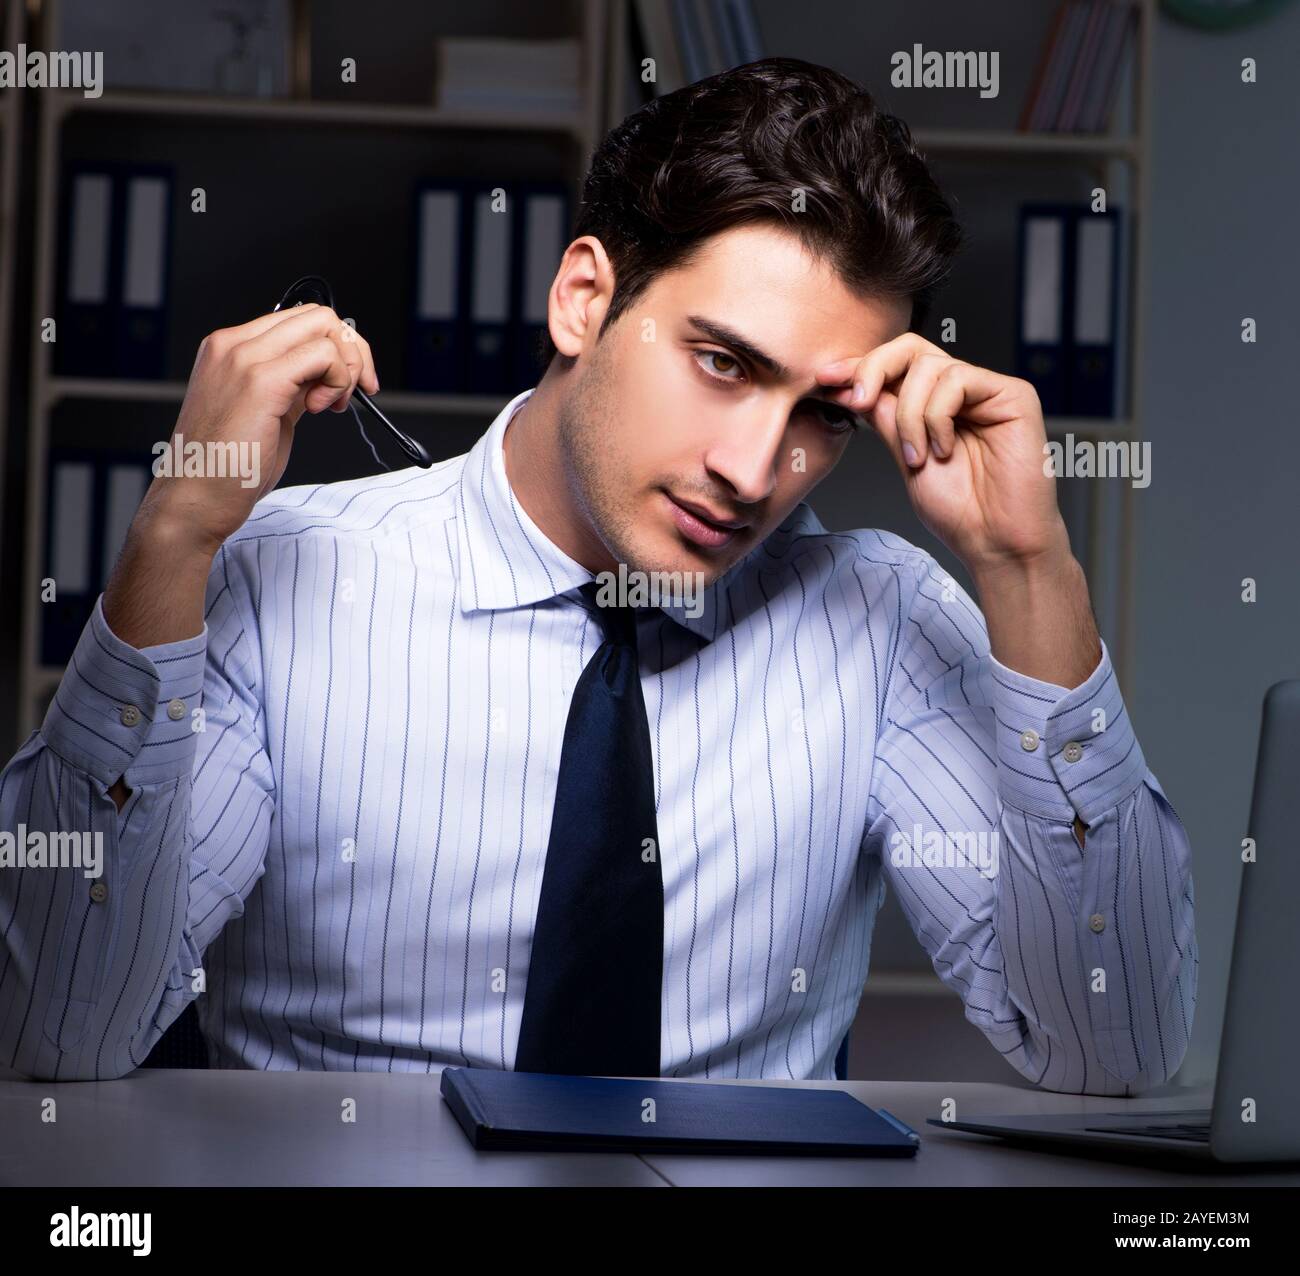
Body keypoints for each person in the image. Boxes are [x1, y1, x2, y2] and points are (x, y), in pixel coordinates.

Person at [0, 57, 1195, 1088]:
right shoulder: (290, 577)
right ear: (585, 298)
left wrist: (1031, 570)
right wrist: (168, 545)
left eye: (822, 415)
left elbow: (1110, 1048)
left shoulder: (879, 623)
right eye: (723, 362)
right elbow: (54, 1028)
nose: (752, 467)